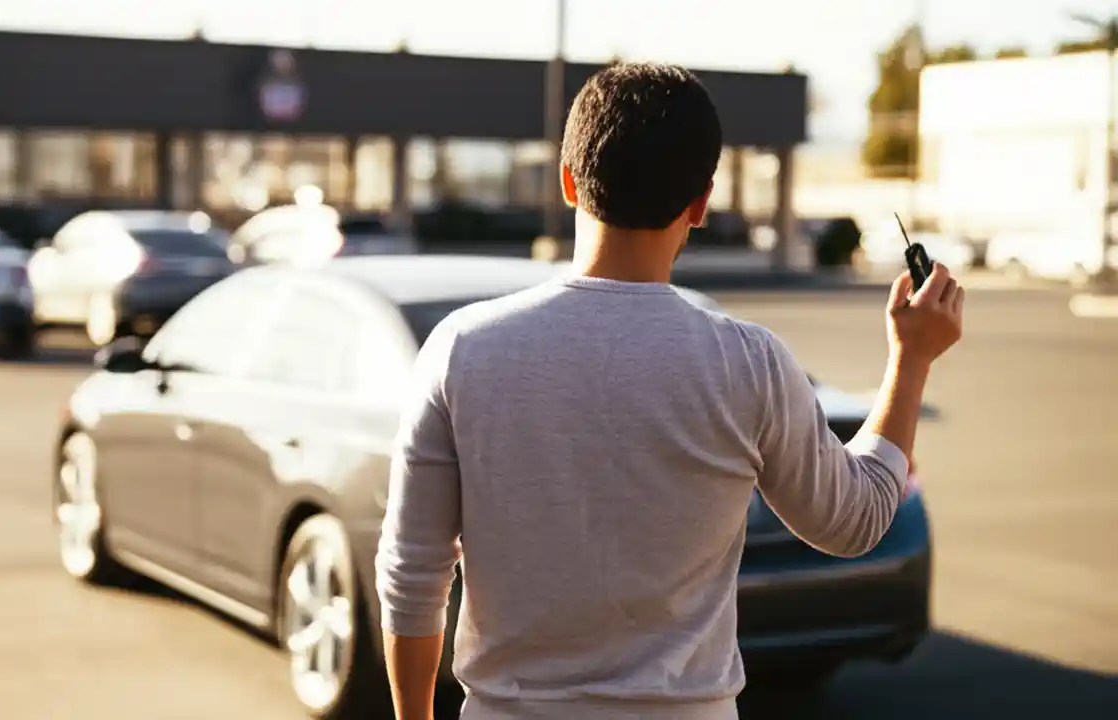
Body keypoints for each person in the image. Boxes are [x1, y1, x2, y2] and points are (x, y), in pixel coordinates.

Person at [375, 62, 963, 720]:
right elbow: (854, 521)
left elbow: (412, 573)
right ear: (701, 203)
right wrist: (911, 360)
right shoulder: (748, 362)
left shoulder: (463, 350)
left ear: (570, 182)